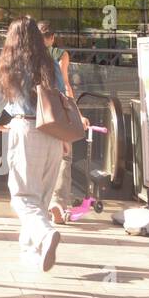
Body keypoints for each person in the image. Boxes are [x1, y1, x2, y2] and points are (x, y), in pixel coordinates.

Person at [0, 16, 63, 272]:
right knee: (41, 196)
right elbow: (61, 96)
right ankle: (32, 251)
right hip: (53, 131)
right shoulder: (49, 63)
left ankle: (44, 233)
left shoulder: (11, 65)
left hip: (26, 129)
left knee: (21, 196)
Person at [37, 21, 84, 222]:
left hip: (35, 114)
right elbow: (64, 85)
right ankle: (57, 201)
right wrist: (76, 112)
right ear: (52, 38)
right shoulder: (59, 55)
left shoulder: (27, 56)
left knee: (38, 160)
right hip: (55, 113)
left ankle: (40, 205)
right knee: (64, 157)